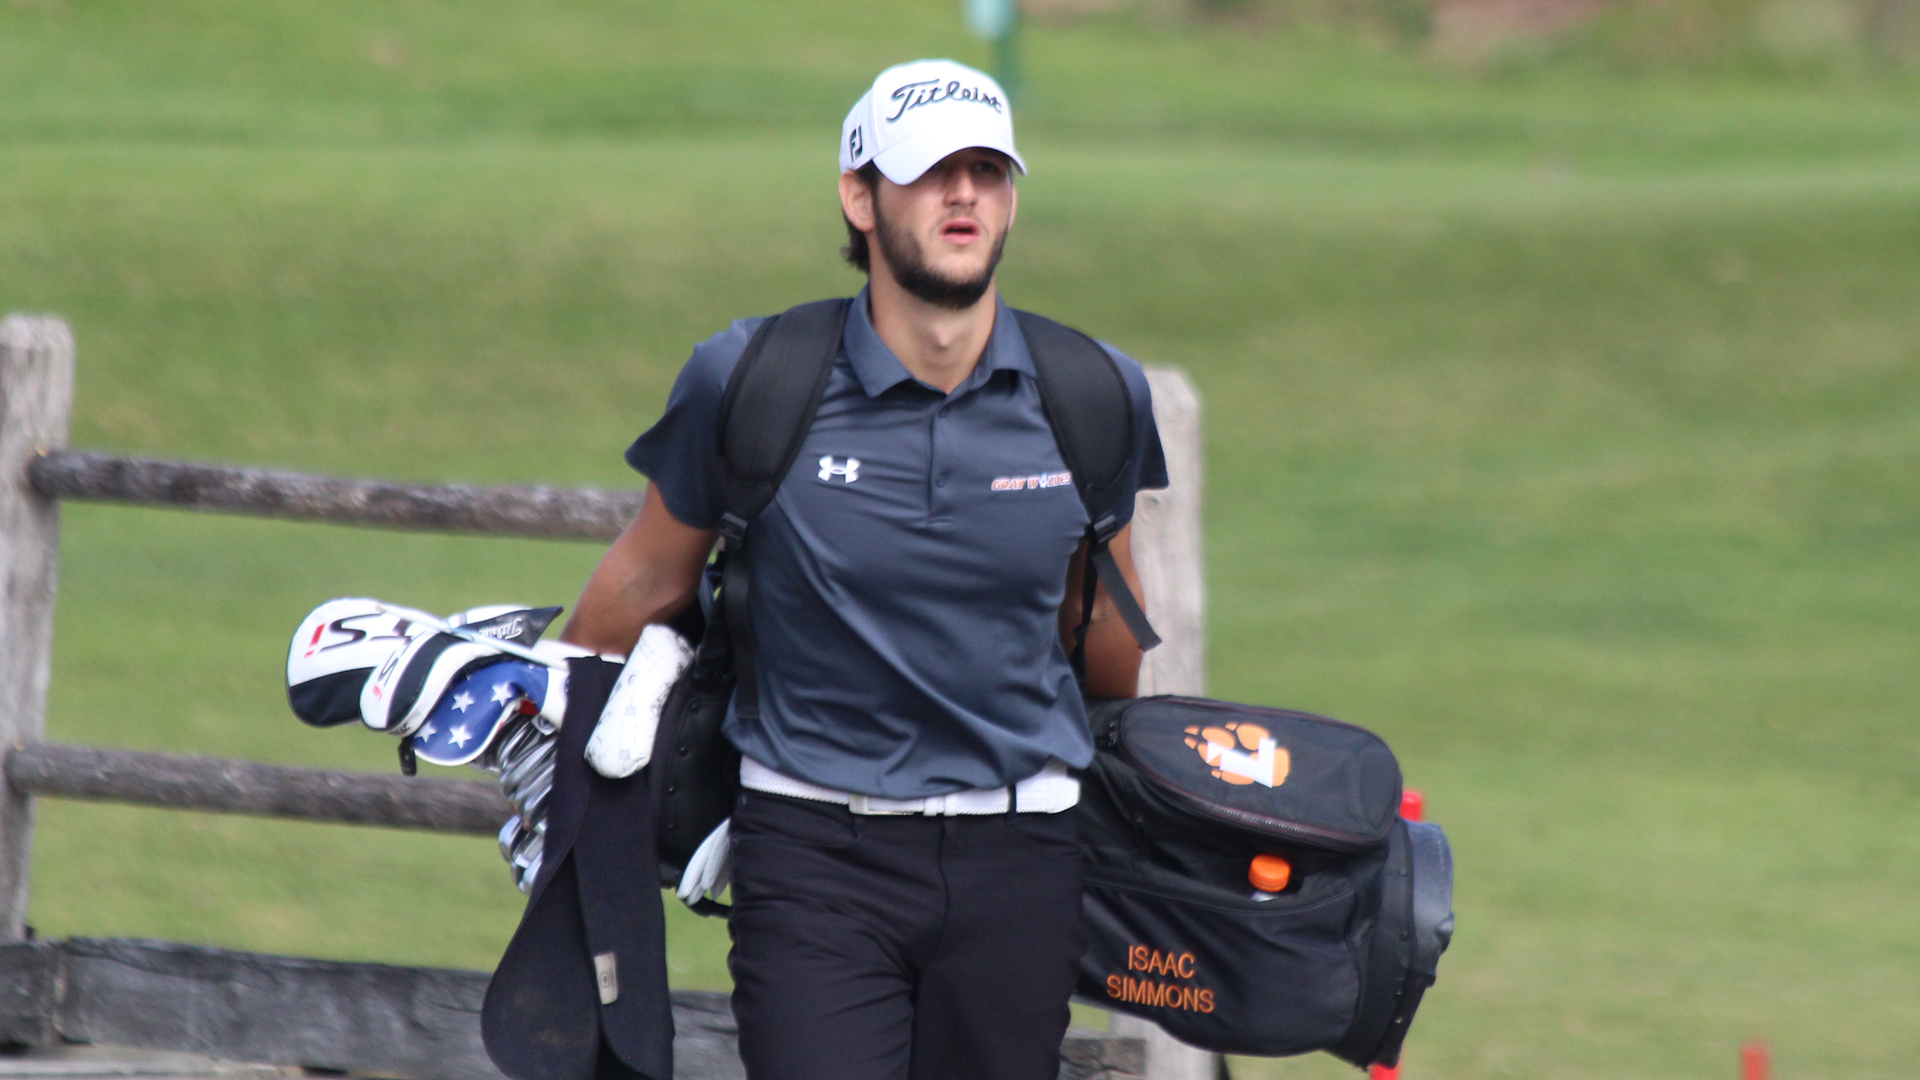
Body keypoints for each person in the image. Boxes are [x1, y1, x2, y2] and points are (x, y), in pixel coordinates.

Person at [558, 58, 1168, 1080]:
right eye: (932, 170)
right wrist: (554, 729)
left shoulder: (1095, 392)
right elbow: (641, 585)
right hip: (811, 855)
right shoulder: (753, 379)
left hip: (1021, 859)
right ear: (860, 194)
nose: (965, 192)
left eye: (989, 169)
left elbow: (1107, 645)